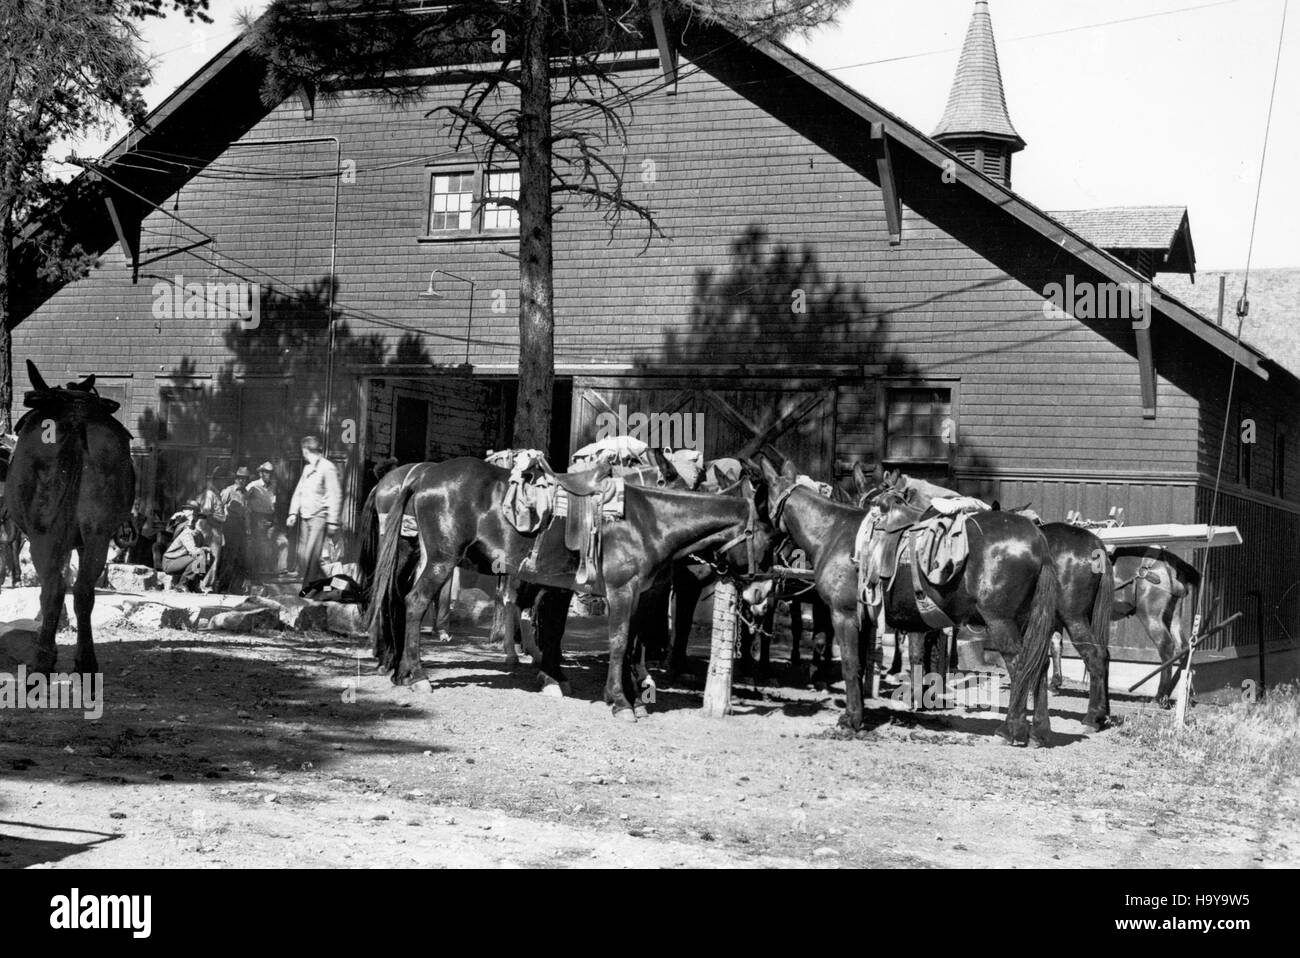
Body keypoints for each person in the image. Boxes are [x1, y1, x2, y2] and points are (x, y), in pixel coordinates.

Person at [288, 436, 342, 590]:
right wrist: (293, 513)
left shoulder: (327, 467)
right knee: (305, 556)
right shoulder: (307, 469)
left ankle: (309, 591)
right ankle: (334, 586)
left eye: (303, 451)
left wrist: (332, 521)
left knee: (310, 555)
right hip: (305, 517)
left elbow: (334, 494)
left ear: (306, 450)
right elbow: (299, 491)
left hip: (319, 516)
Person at [246, 461, 288, 577]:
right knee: (262, 544)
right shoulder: (253, 486)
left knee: (283, 541)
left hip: (270, 519)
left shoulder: (273, 486)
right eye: (266, 472)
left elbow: (273, 504)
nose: (268, 475)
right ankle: (261, 572)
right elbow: (244, 500)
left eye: (270, 473)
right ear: (260, 473)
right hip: (257, 519)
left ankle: (281, 570)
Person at [162, 501, 213, 592]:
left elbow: (202, 548)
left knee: (207, 556)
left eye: (196, 517)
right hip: (171, 561)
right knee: (199, 556)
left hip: (184, 560)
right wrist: (204, 550)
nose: (194, 520)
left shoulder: (198, 534)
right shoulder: (185, 531)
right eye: (192, 519)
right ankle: (182, 584)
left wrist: (207, 553)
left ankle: (194, 584)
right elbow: (193, 551)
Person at [218, 466, 252, 592]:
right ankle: (222, 586)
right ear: (236, 478)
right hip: (230, 527)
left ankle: (235, 588)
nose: (242, 481)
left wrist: (248, 529)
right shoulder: (228, 491)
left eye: (245, 479)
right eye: (240, 478)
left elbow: (247, 512)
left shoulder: (246, 493)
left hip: (241, 527)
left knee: (241, 558)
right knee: (229, 557)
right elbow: (219, 506)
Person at [196, 467, 227, 592]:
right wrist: (216, 525)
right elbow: (205, 514)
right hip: (209, 529)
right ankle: (203, 585)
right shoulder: (210, 494)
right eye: (224, 480)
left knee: (210, 558)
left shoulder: (216, 493)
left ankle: (204, 584)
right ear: (218, 480)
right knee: (208, 557)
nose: (225, 483)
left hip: (215, 529)